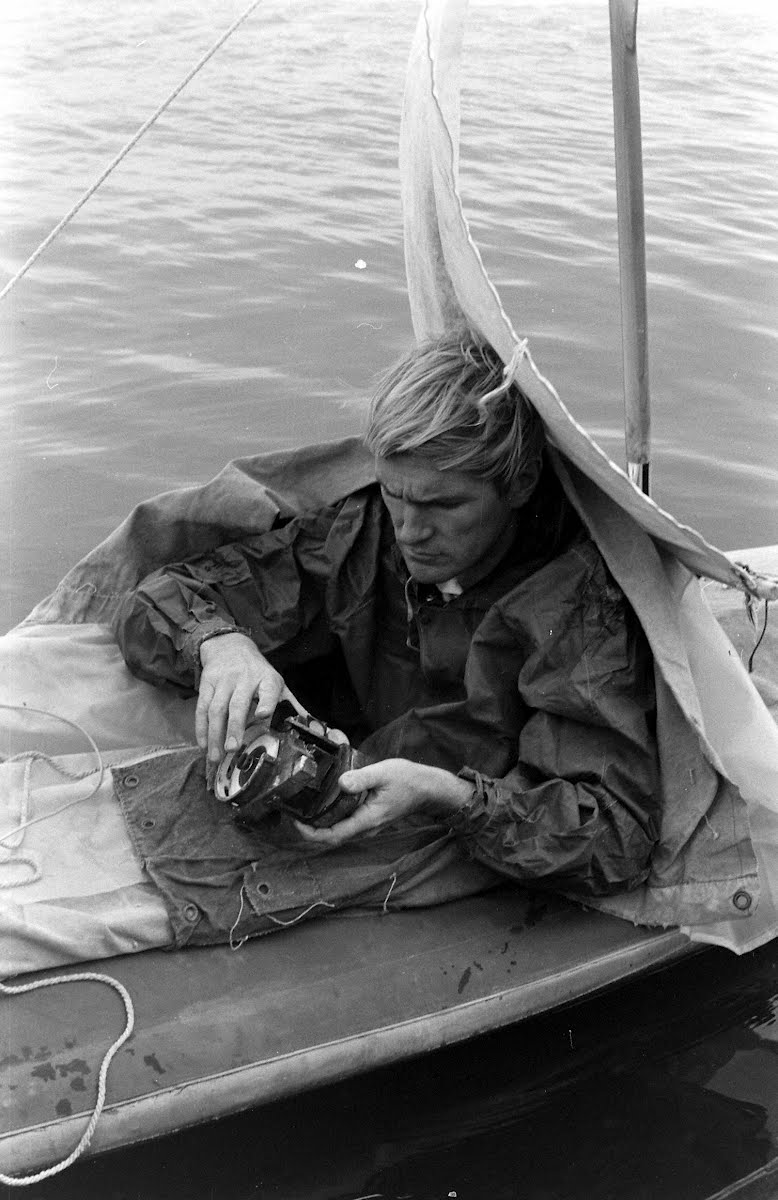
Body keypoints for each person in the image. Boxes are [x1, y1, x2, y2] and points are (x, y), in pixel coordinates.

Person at [112, 330, 660, 905]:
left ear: (519, 485)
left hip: (472, 823)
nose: (411, 530)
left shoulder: (576, 606)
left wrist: (448, 796)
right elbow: (164, 597)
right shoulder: (365, 530)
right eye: (397, 494)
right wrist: (221, 644)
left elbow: (615, 835)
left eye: (444, 505)